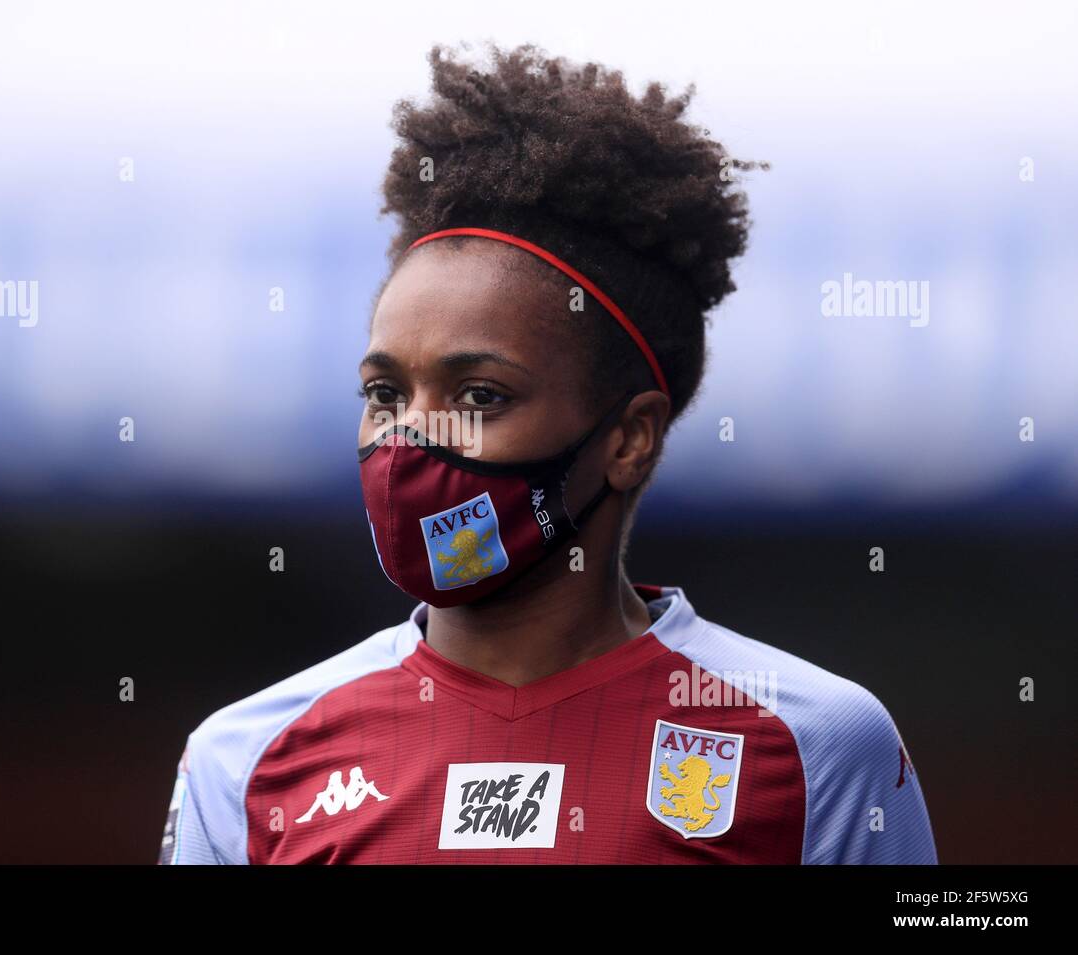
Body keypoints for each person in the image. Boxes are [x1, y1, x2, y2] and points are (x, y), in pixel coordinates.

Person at [159, 41, 936, 865]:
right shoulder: (246, 761)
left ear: (629, 438)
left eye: (479, 397)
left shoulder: (816, 745)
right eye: (385, 394)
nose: (413, 437)